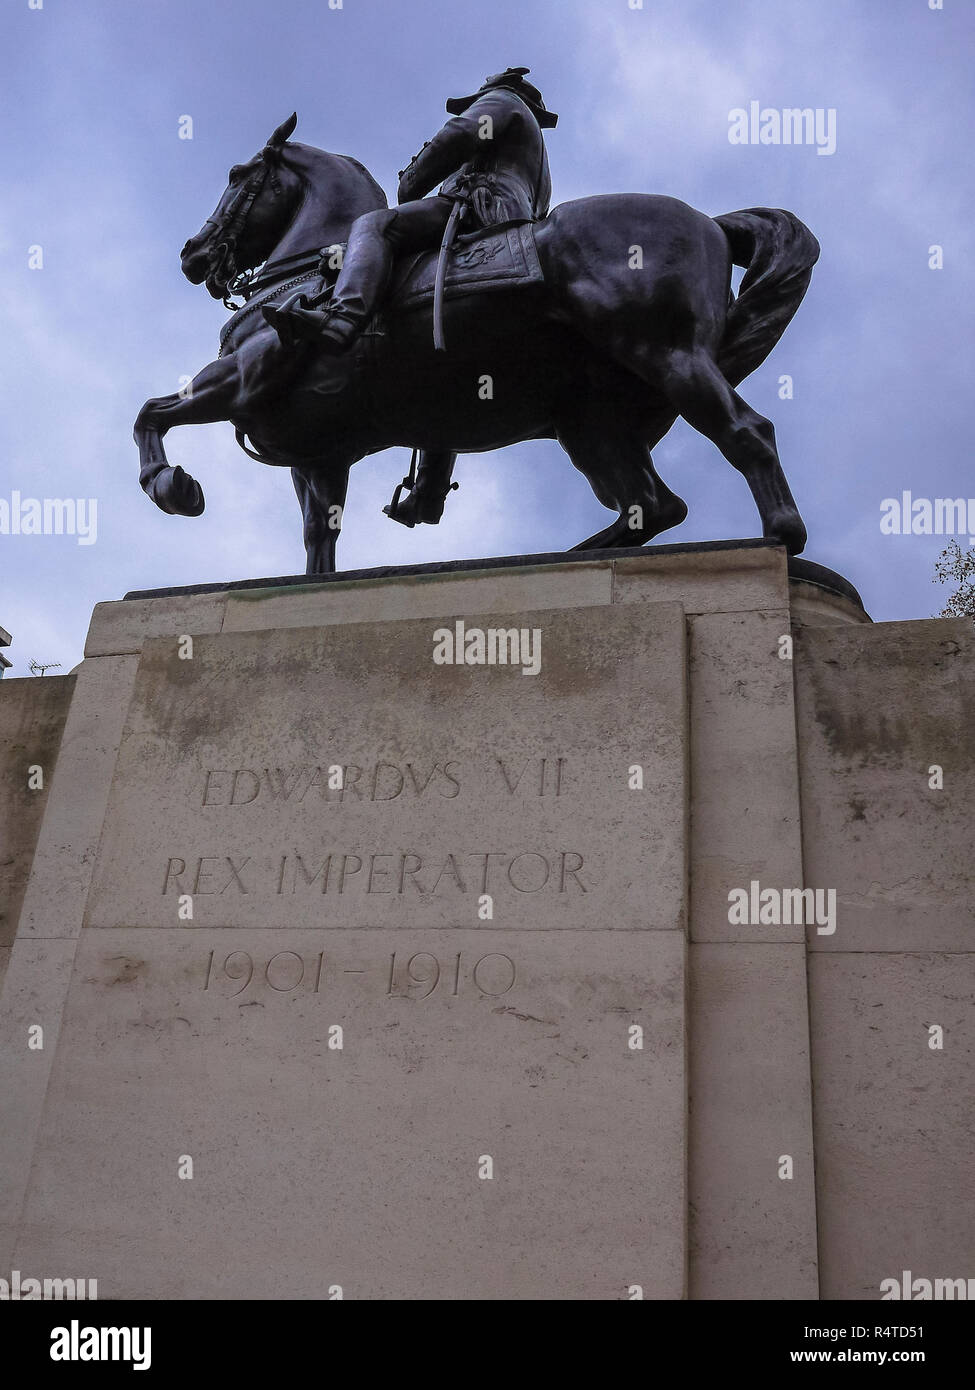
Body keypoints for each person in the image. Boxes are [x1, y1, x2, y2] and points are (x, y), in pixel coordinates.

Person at [262, 68, 558, 526]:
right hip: (503, 214)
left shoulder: (502, 101)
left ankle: (344, 319)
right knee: (436, 361)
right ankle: (428, 489)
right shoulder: (535, 149)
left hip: (479, 210)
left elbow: (456, 137)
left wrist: (414, 175)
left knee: (375, 226)